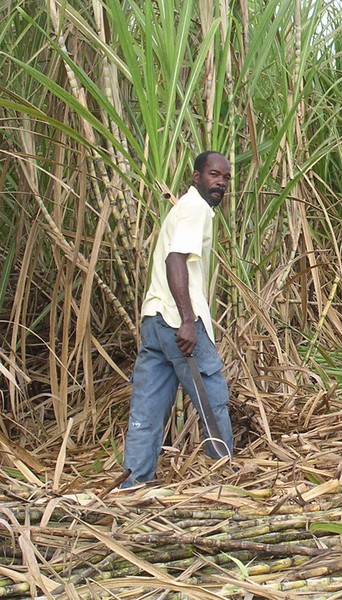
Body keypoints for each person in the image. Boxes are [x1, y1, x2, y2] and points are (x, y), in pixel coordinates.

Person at [121, 151, 234, 487]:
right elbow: (176, 260)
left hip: (154, 322)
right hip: (177, 323)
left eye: (226, 178)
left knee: (147, 408)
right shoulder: (195, 208)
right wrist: (187, 320)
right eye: (214, 175)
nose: (220, 183)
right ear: (196, 176)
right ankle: (223, 484)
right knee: (212, 400)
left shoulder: (184, 207)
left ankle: (134, 483)